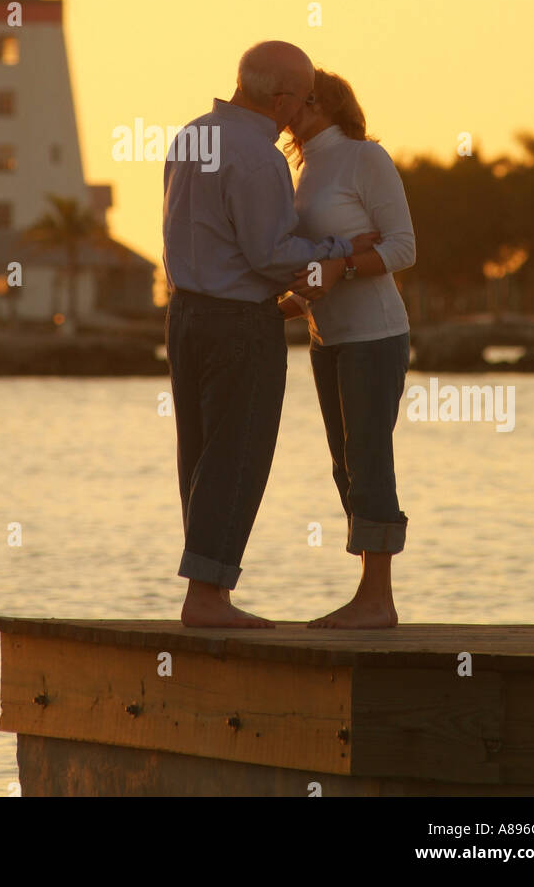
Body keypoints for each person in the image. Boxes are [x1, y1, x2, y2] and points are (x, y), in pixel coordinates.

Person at [162, 41, 381, 628]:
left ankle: (208, 590)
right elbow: (271, 255)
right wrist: (342, 250)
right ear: (282, 97)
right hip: (237, 322)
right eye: (305, 97)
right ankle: (206, 597)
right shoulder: (258, 158)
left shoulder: (192, 135)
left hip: (185, 316)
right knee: (237, 454)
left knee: (200, 454)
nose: (304, 109)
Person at [281, 69, 416, 628]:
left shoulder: (364, 158)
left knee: (368, 462)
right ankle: (368, 595)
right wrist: (276, 307)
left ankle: (377, 602)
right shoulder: (306, 166)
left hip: (375, 334)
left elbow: (403, 248)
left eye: (294, 95)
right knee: (344, 467)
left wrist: (339, 271)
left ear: (321, 104)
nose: (283, 103)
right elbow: (317, 266)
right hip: (325, 338)